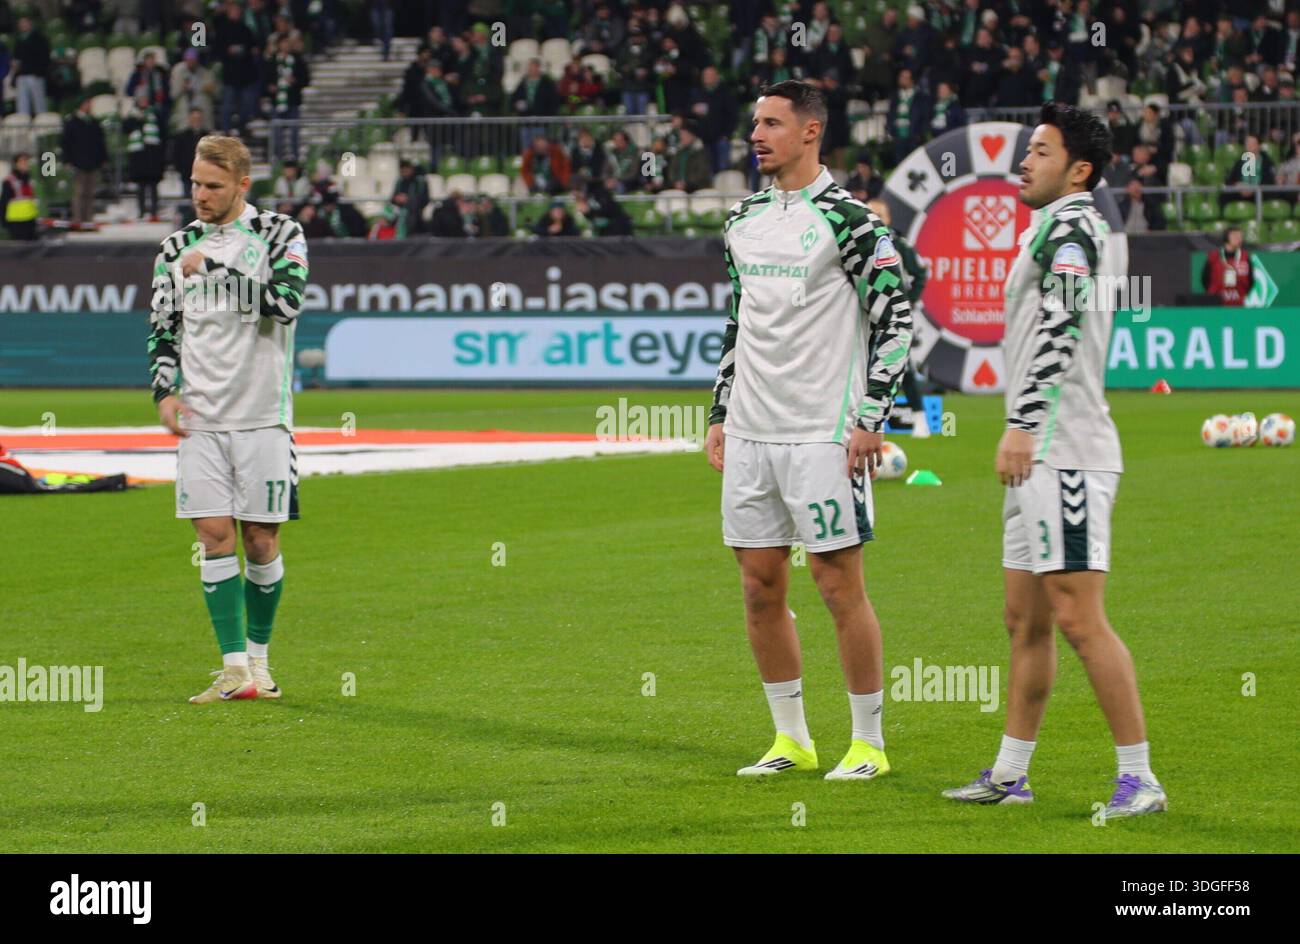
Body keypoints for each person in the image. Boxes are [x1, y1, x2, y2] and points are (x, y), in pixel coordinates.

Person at [943, 102, 1167, 819]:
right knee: (1025, 619)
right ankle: (1012, 773)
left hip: (1064, 450)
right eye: (1027, 150)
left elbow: (1065, 319)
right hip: (1042, 453)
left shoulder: (1073, 226)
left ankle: (1140, 779)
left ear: (1080, 169)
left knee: (1078, 618)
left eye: (1041, 152)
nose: (1024, 162)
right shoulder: (1056, 225)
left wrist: (1022, 422)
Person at [705, 81, 912, 782]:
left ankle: (868, 744)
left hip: (824, 432)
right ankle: (790, 739)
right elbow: (740, 325)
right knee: (760, 586)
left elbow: (896, 320)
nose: (756, 135)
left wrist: (872, 416)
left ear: (811, 132)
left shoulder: (854, 222)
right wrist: (719, 414)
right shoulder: (741, 219)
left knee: (835, 585)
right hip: (753, 432)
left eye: (771, 123)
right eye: (754, 123)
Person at [147, 134, 309, 704]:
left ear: (243, 184)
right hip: (202, 420)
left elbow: (286, 302)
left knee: (261, 542)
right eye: (195, 183)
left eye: (213, 186)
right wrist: (165, 392)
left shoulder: (280, 234)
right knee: (213, 536)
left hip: (264, 418)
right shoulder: (174, 248)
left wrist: (215, 265)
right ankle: (234, 668)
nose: (200, 195)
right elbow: (163, 328)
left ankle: (261, 661)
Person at [866, 198, 929, 434]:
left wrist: (908, 302)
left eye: (880, 215)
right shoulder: (859, 243)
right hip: (867, 316)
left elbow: (920, 273)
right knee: (865, 366)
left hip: (893, 315)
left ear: (888, 219)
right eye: (871, 214)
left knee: (903, 365)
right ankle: (871, 421)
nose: (876, 219)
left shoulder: (898, 244)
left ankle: (920, 418)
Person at [62, 96, 108, 227]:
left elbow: (101, 142)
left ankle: (88, 218)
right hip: (78, 163)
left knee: (90, 192)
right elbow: (66, 143)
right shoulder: (72, 122)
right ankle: (78, 218)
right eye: (87, 104)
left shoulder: (94, 122)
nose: (89, 106)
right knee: (79, 192)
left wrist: (103, 158)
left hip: (92, 162)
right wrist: (67, 160)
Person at [124, 94, 165, 220]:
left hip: (152, 154)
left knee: (153, 185)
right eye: (141, 100)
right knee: (140, 185)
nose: (144, 102)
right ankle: (141, 211)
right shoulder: (131, 116)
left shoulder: (155, 114)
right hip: (138, 155)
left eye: (145, 99)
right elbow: (125, 129)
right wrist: (138, 120)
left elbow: (163, 132)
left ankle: (154, 211)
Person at [1201, 226, 1253, 306]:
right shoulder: (1213, 257)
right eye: (1235, 236)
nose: (1239, 239)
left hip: (1238, 304)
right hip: (1217, 305)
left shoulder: (1245, 257)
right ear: (1226, 238)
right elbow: (1205, 280)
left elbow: (1250, 280)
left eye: (1240, 236)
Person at [11, 16, 50, 117]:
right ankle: (24, 126)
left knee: (39, 105)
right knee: (22, 107)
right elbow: (16, 58)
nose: (23, 25)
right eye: (21, 23)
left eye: (25, 22)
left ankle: (43, 126)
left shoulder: (39, 38)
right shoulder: (19, 40)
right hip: (21, 76)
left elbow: (44, 57)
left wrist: (39, 71)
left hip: (35, 75)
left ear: (30, 23)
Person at [1, 152, 39, 240]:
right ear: (16, 164)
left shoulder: (30, 179)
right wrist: (4, 222)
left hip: (30, 221)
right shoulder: (9, 181)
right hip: (16, 223)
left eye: (26, 161)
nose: (25, 164)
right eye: (22, 161)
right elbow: (3, 202)